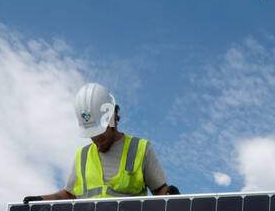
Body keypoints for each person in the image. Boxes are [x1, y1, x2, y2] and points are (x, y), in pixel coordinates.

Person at [23, 83, 178, 202]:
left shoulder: (140, 148)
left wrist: (170, 194)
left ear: (113, 119)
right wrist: (41, 201)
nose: (96, 139)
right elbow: (69, 194)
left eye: (99, 132)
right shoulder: (82, 156)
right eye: (91, 134)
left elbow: (159, 190)